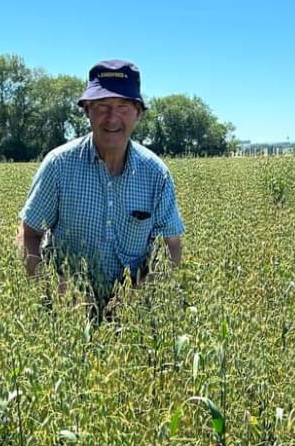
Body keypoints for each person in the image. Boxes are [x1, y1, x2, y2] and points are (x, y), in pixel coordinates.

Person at [17, 59, 184, 315]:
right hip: (65, 314)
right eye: (102, 106)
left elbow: (170, 246)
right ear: (87, 111)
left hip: (133, 314)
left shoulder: (155, 173)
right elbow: (29, 234)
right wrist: (50, 288)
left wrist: (134, 299)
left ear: (139, 113)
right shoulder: (59, 165)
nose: (112, 118)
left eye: (123, 107)